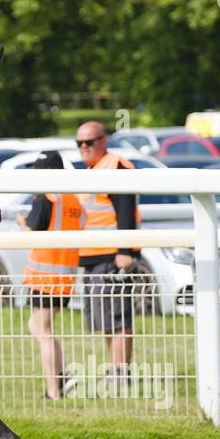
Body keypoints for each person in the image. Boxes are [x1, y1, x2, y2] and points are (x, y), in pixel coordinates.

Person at [74, 121, 140, 391]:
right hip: (92, 255)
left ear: (104, 140)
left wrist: (124, 251)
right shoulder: (93, 169)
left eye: (89, 142)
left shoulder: (116, 165)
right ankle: (115, 371)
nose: (84, 148)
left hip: (112, 256)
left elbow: (126, 210)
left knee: (118, 318)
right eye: (79, 143)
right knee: (104, 320)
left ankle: (121, 374)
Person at [17, 151, 84, 399]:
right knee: (39, 327)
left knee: (41, 330)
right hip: (66, 276)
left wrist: (22, 222)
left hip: (45, 275)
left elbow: (32, 231)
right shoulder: (73, 200)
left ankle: (54, 390)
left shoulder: (46, 196)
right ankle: (62, 376)